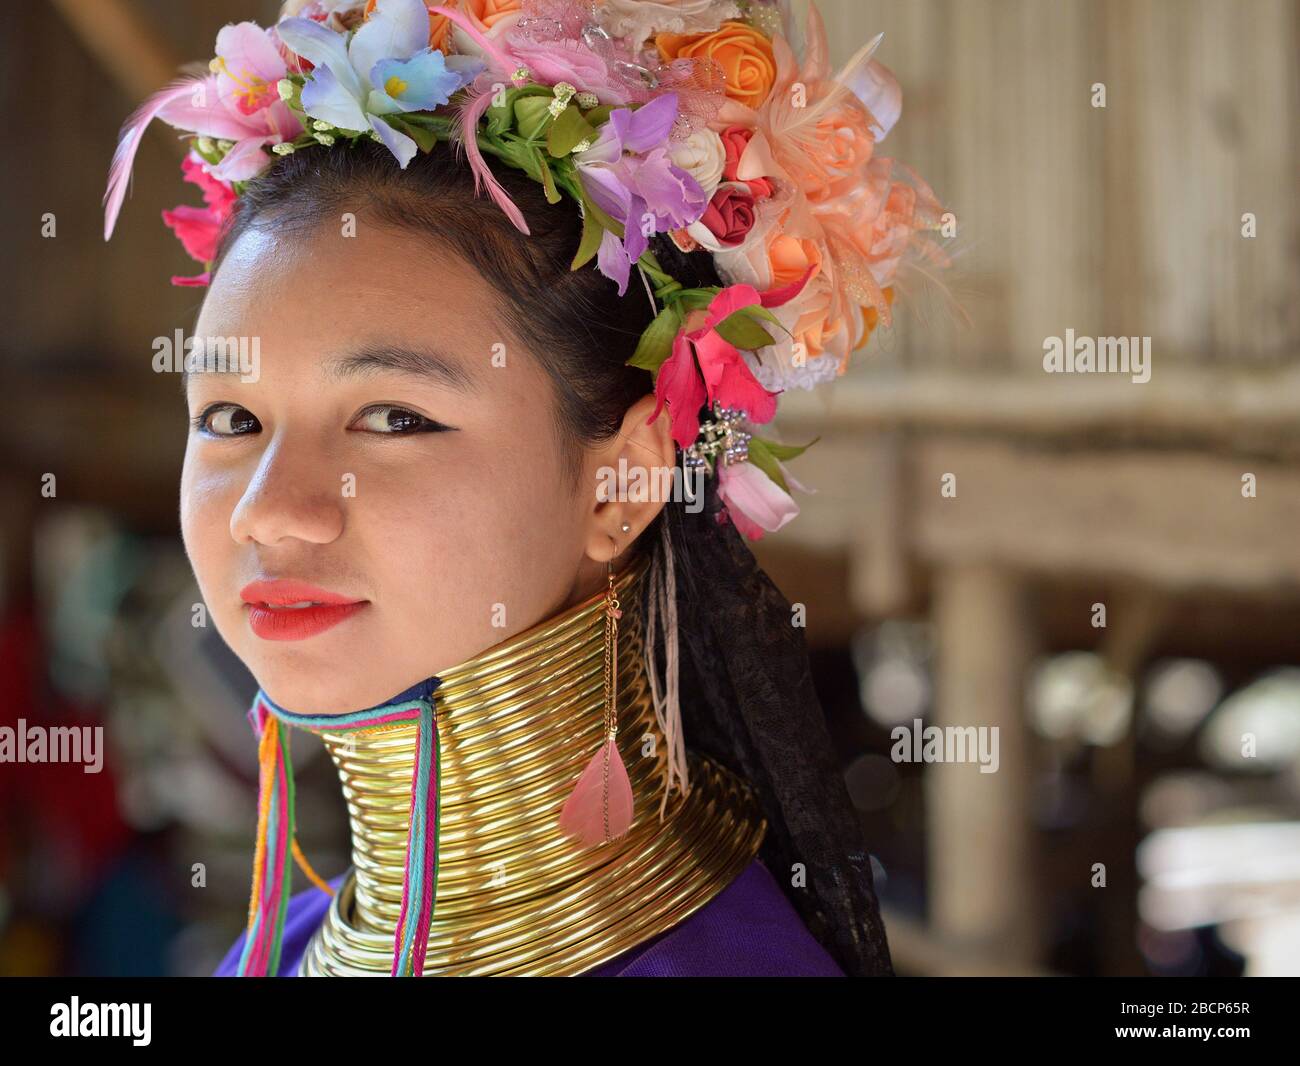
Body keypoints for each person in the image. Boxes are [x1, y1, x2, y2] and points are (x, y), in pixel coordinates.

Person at [104, 0, 948, 977]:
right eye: (228, 419)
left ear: (622, 483)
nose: (267, 507)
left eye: (393, 418)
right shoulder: (277, 952)